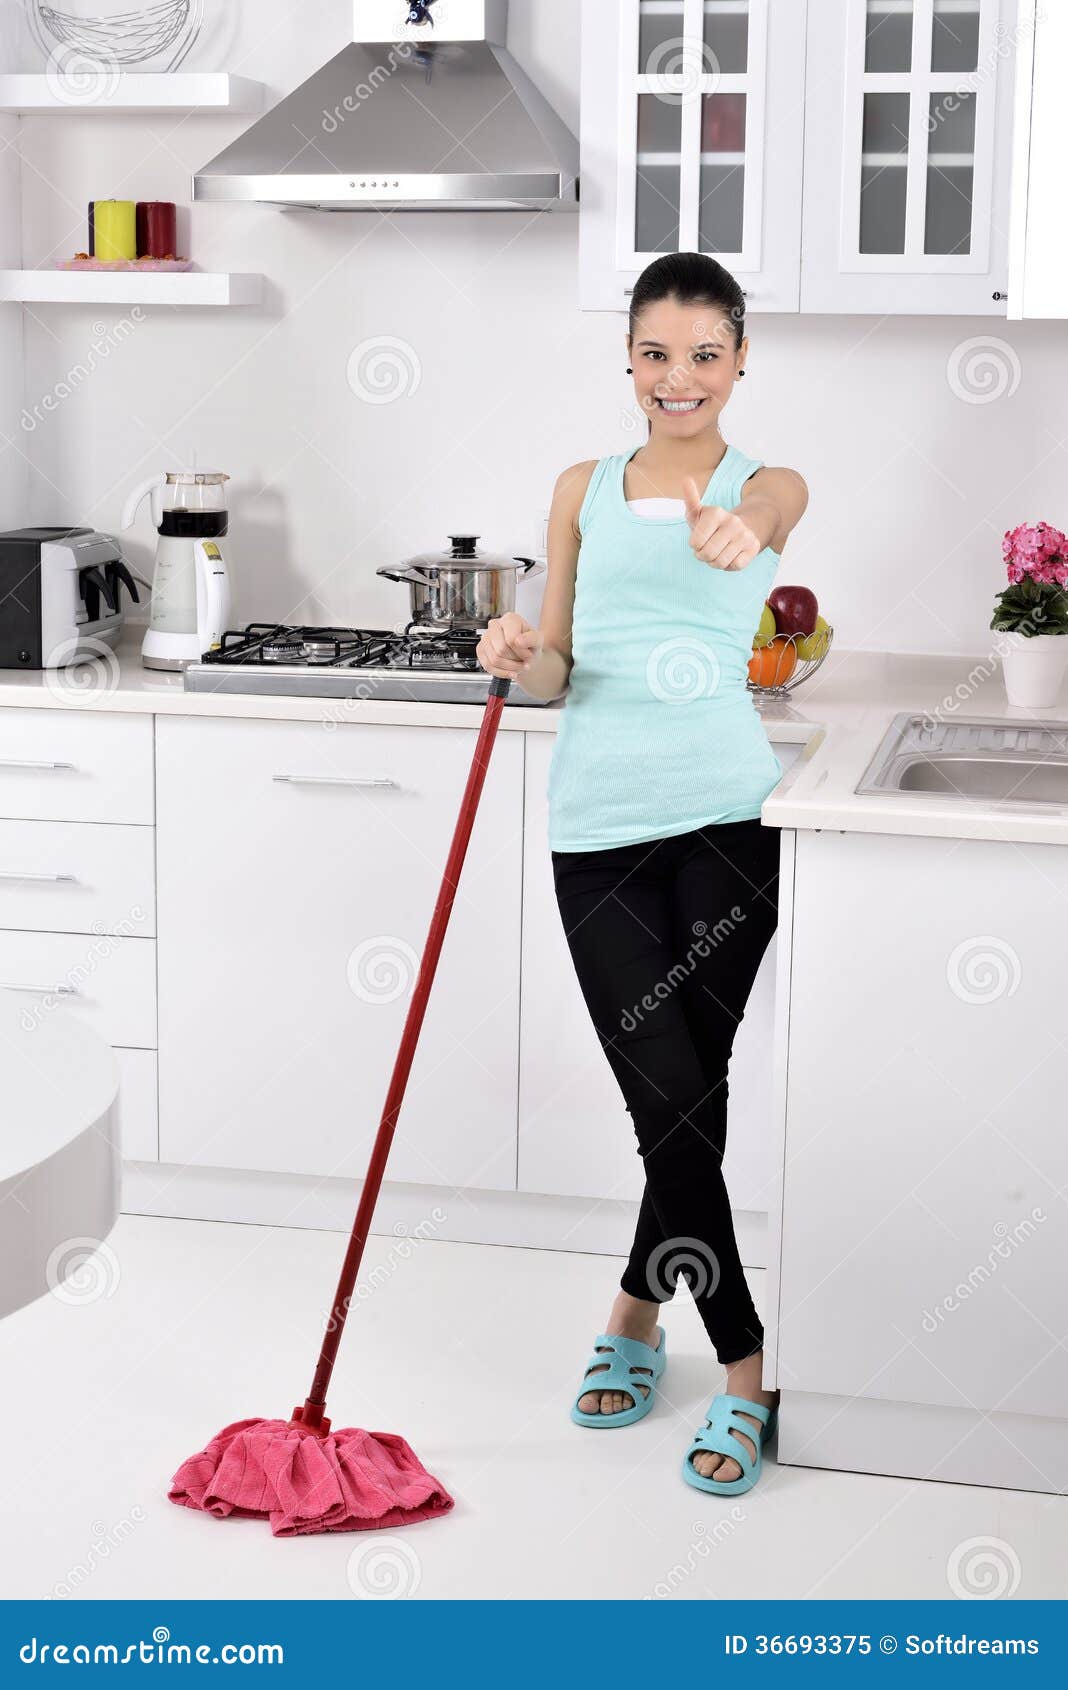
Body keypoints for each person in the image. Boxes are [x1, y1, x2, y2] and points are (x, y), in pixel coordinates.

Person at [476, 252, 809, 1496]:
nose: (681, 378)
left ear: (738, 363)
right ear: (629, 359)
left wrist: (739, 527)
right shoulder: (581, 488)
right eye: (657, 354)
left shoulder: (766, 484)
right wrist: (518, 651)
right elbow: (559, 668)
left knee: (683, 1096)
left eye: (706, 354)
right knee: (669, 1094)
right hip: (598, 829)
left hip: (727, 822)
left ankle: (673, 1332)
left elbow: (767, 520)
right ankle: (728, 1345)